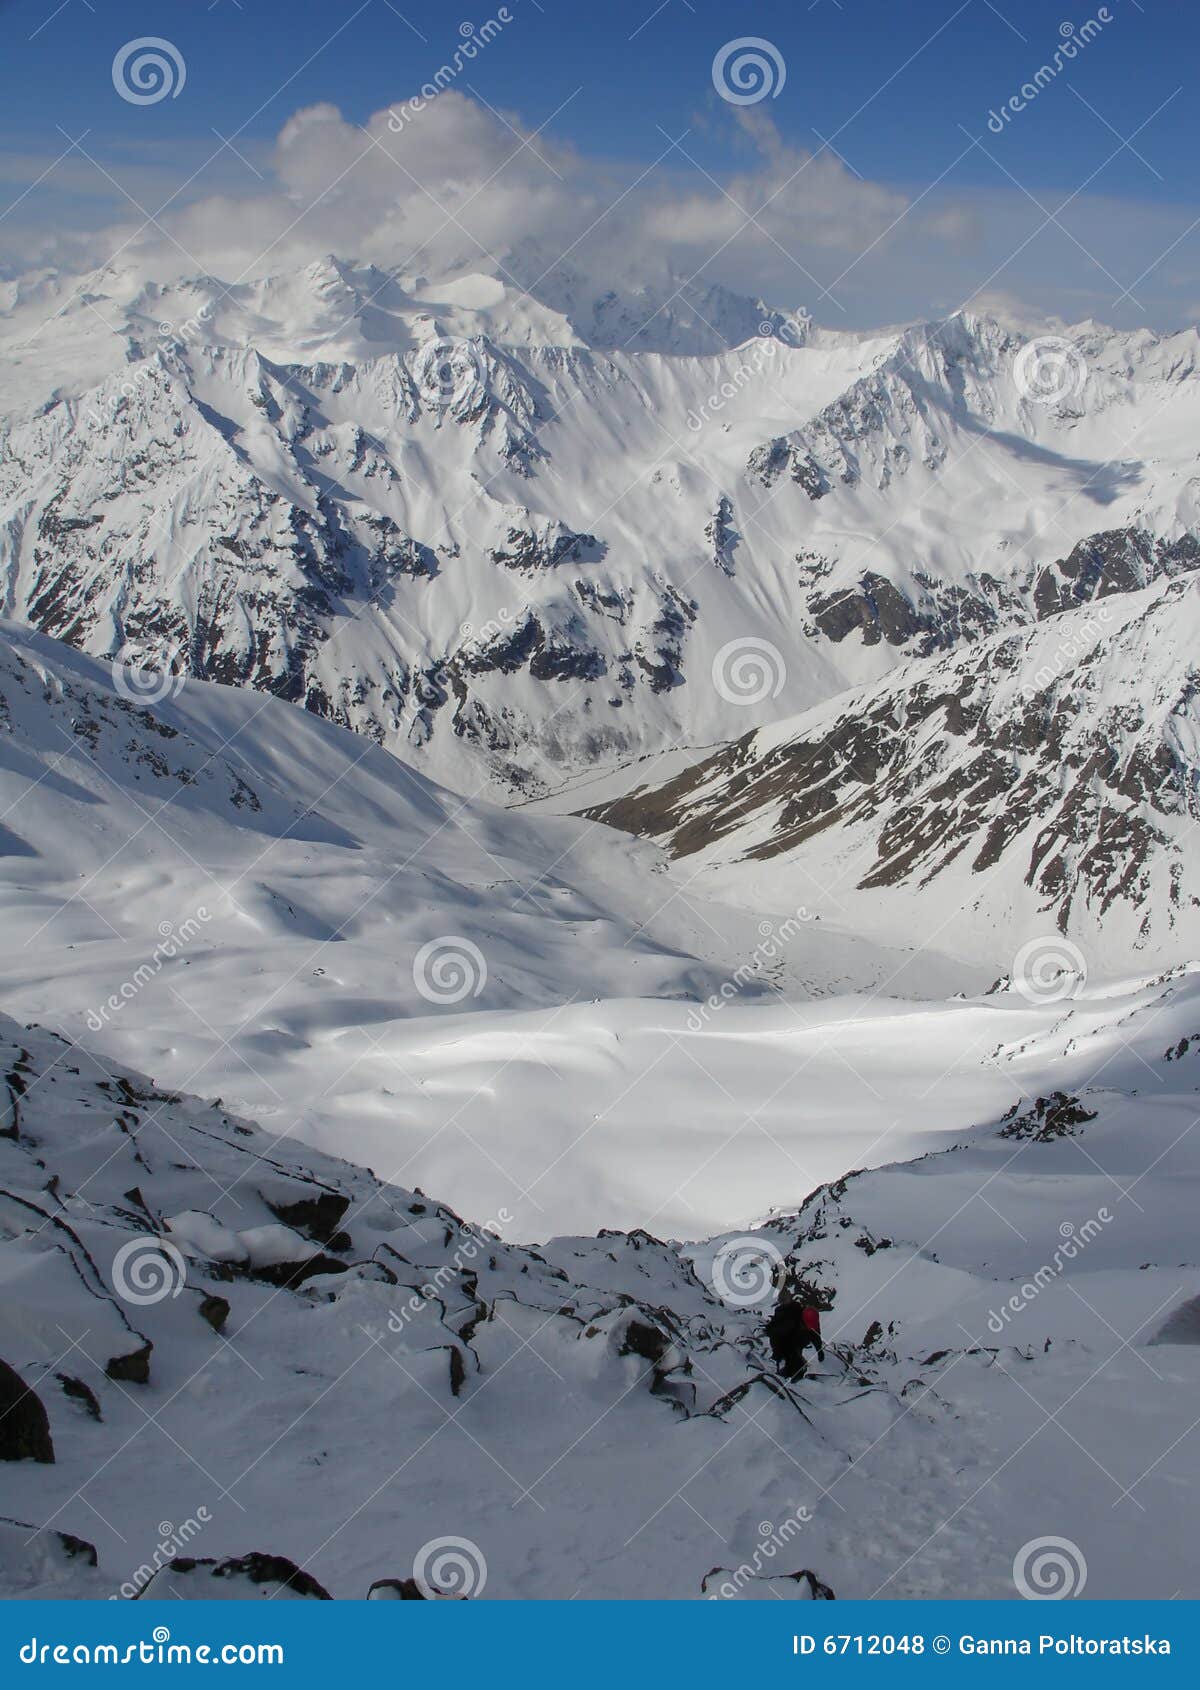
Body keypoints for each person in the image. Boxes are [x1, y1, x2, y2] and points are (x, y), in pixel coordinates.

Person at [764, 1293, 825, 1379]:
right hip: (785, 1339)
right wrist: (777, 1354)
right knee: (791, 1355)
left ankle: (794, 1372)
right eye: (805, 1326)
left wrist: (819, 1350)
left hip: (797, 1338)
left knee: (795, 1356)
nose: (808, 1328)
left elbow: (815, 1335)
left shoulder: (811, 1320)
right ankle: (788, 1373)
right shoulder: (787, 1320)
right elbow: (775, 1333)